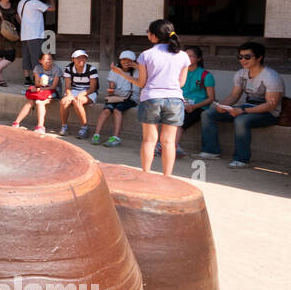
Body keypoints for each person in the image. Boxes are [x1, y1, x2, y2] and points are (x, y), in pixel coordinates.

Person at [111, 19, 190, 176]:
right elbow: (181, 83)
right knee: (168, 142)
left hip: (151, 98)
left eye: (148, 32)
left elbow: (141, 83)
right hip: (174, 99)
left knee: (149, 140)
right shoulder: (183, 56)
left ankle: (146, 175)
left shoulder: (146, 55)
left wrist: (121, 73)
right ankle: (167, 177)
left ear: (153, 36)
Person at [199, 40, 284, 169]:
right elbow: (234, 95)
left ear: (259, 57)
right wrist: (222, 106)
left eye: (247, 57)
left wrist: (242, 111)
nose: (243, 60)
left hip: (268, 113)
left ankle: (241, 159)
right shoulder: (241, 73)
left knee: (241, 120)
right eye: (240, 57)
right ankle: (211, 151)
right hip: (247, 107)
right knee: (208, 114)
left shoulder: (271, 77)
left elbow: (270, 105)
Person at [92, 50, 139, 147]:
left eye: (129, 60)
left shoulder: (136, 72)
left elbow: (138, 84)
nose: (126, 62)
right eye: (123, 60)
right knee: (106, 110)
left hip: (131, 97)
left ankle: (116, 137)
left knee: (117, 110)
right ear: (120, 60)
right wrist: (111, 90)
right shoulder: (115, 70)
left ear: (134, 62)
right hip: (116, 97)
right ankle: (96, 134)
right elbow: (112, 86)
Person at [16, 0, 56, 85]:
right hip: (35, 34)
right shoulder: (34, 3)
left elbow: (18, 17)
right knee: (35, 57)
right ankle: (36, 78)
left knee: (26, 56)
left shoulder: (20, 3)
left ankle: (26, 78)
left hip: (25, 34)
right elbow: (52, 8)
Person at [178, 45, 216, 154]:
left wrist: (193, 106)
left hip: (198, 107)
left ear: (199, 59)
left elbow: (211, 98)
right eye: (185, 56)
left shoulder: (206, 75)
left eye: (191, 56)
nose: (187, 58)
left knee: (179, 122)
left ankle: (173, 146)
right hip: (181, 104)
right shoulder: (179, 72)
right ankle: (162, 145)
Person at [12, 52, 59, 134]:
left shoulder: (56, 69)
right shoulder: (38, 68)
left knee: (39, 102)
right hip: (41, 90)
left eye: (50, 59)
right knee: (30, 101)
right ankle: (16, 122)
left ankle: (40, 126)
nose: (48, 61)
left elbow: (54, 86)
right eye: (45, 59)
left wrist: (40, 89)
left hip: (53, 91)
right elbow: (37, 83)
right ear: (40, 61)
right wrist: (39, 85)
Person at [58, 50, 98, 137]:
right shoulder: (68, 69)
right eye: (78, 58)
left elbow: (93, 88)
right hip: (74, 90)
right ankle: (64, 126)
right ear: (73, 59)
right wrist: (69, 95)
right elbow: (68, 87)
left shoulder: (92, 69)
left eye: (83, 57)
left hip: (88, 91)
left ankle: (84, 128)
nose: (81, 59)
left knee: (78, 102)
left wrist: (83, 94)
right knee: (64, 102)